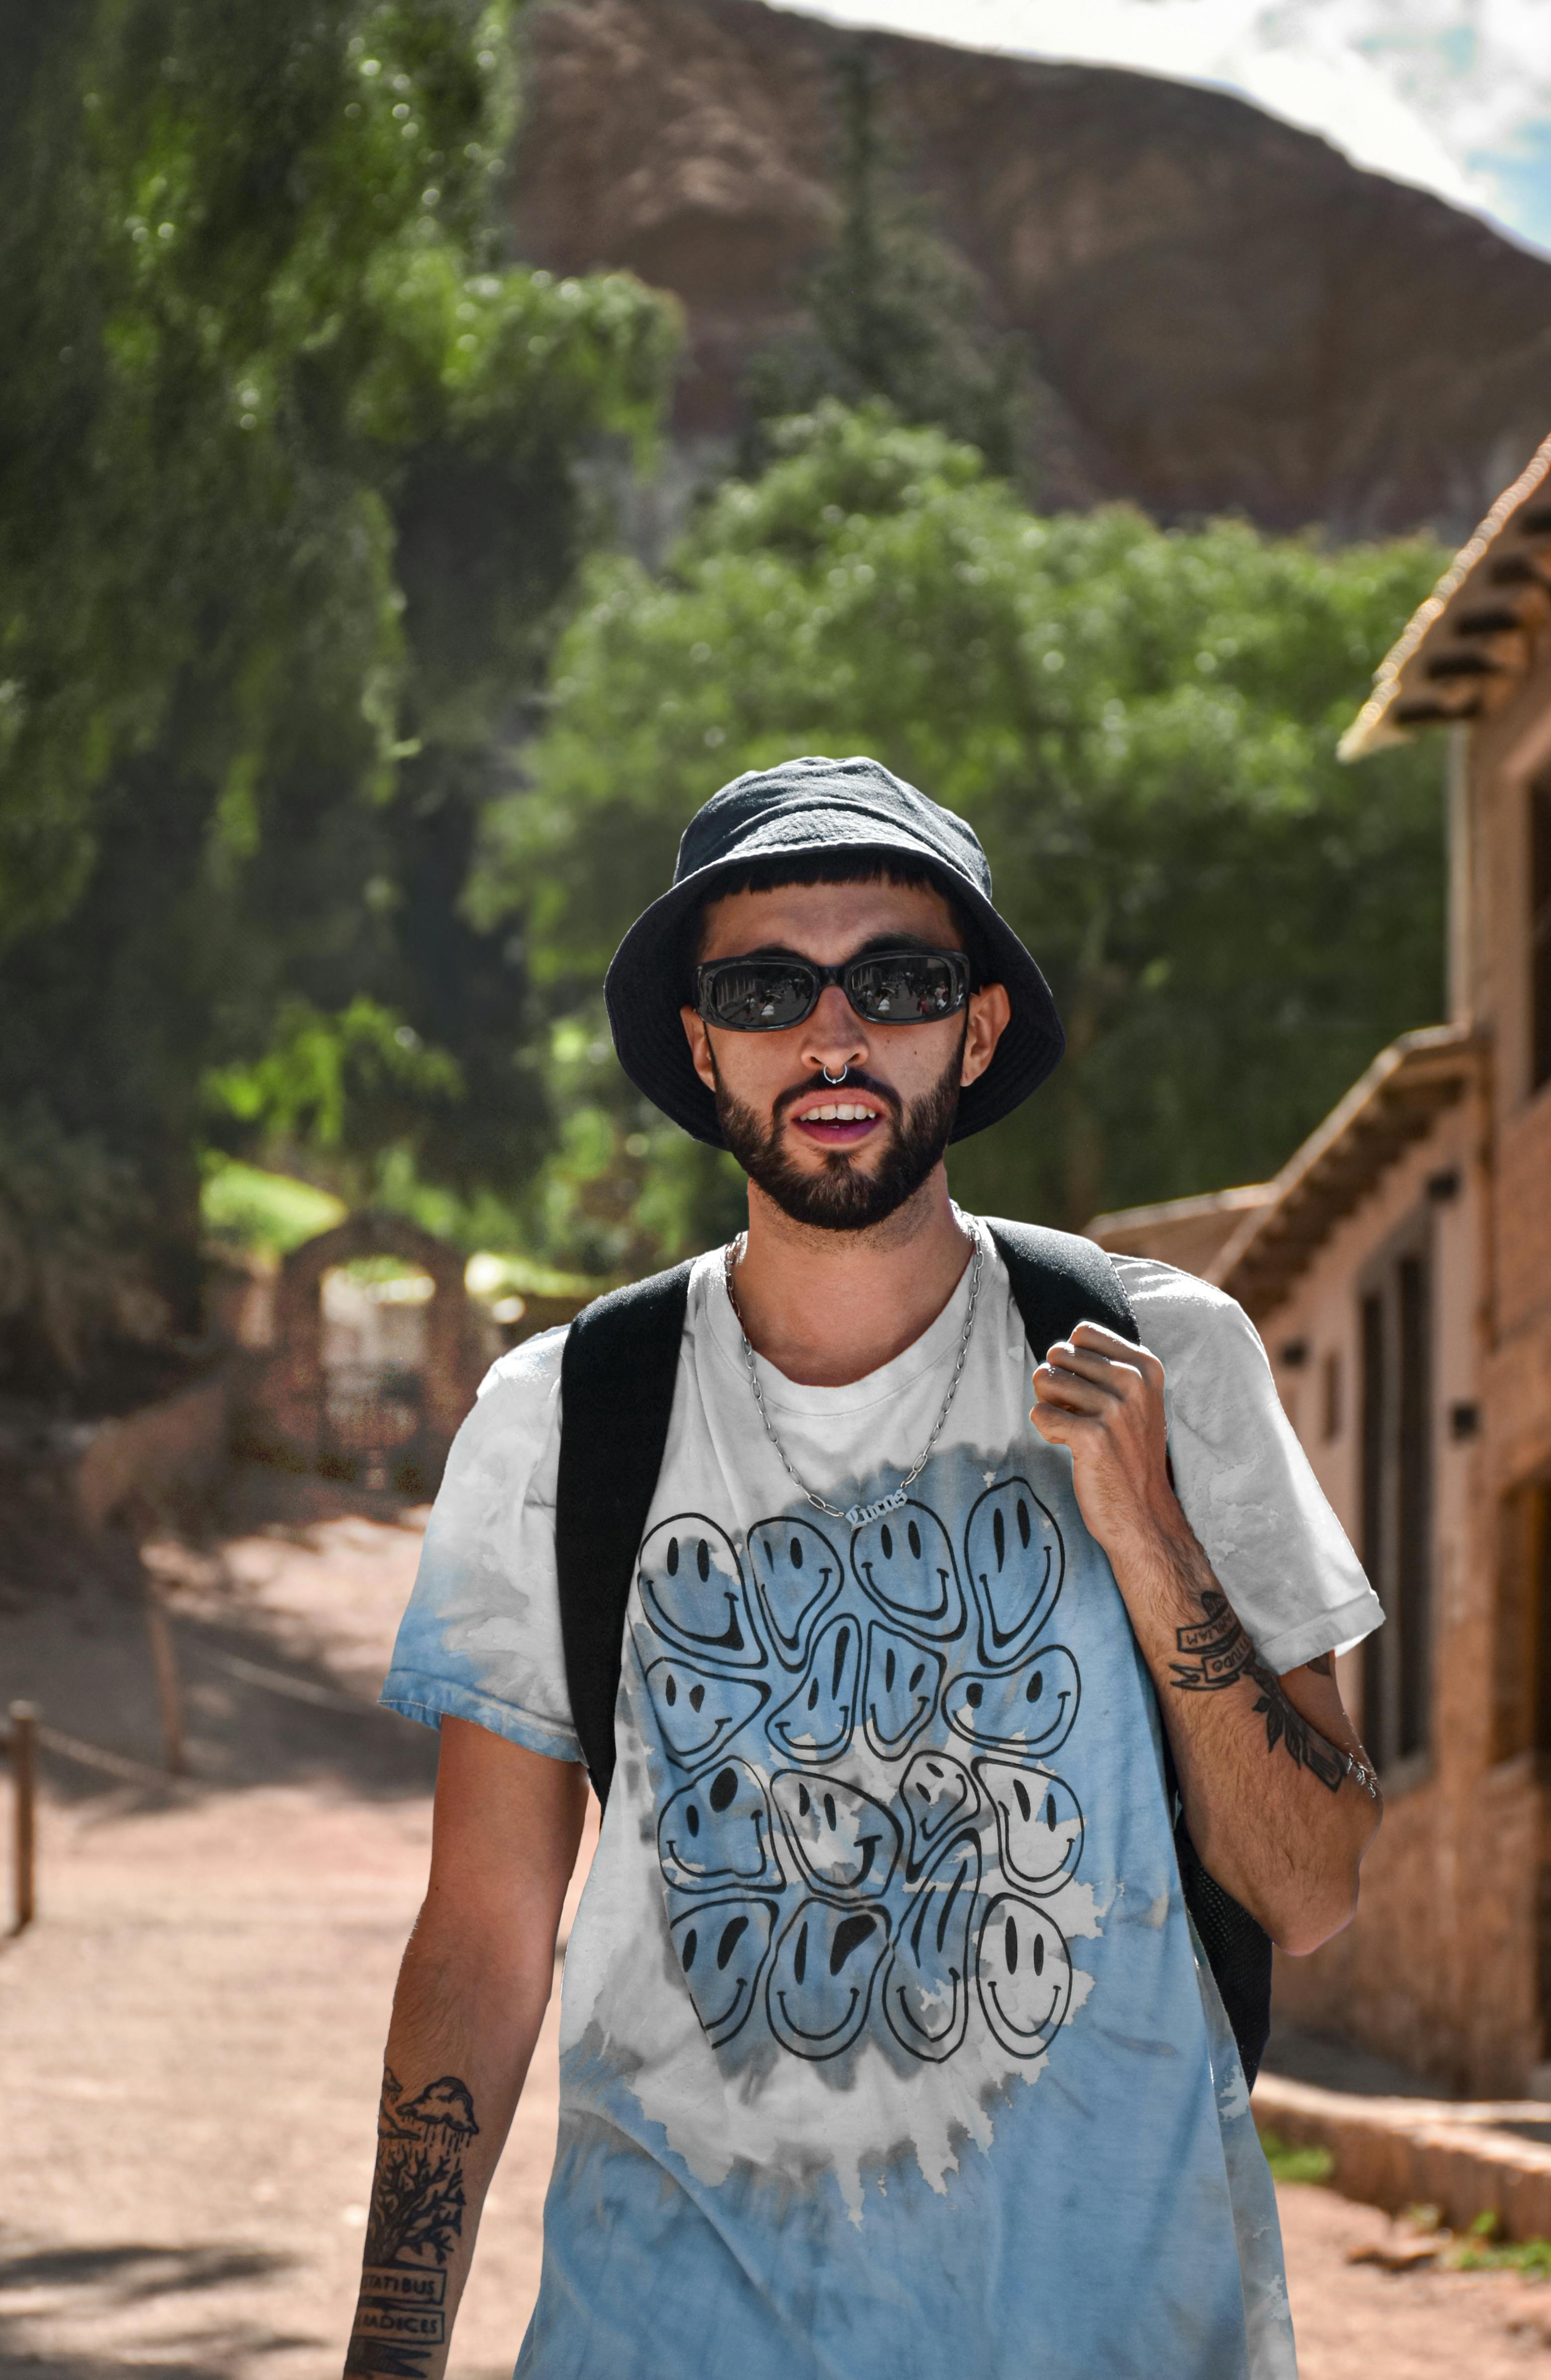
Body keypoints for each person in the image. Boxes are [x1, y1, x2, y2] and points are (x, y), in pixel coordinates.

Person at [348, 755, 1383, 2380]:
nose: (833, 1036)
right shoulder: (564, 1417)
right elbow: (484, 1933)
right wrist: (385, 2360)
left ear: (972, 1028)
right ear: (701, 1044)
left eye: (893, 979)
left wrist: (1153, 1544)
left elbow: (1314, 1889)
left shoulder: (1168, 1361)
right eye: (768, 986)